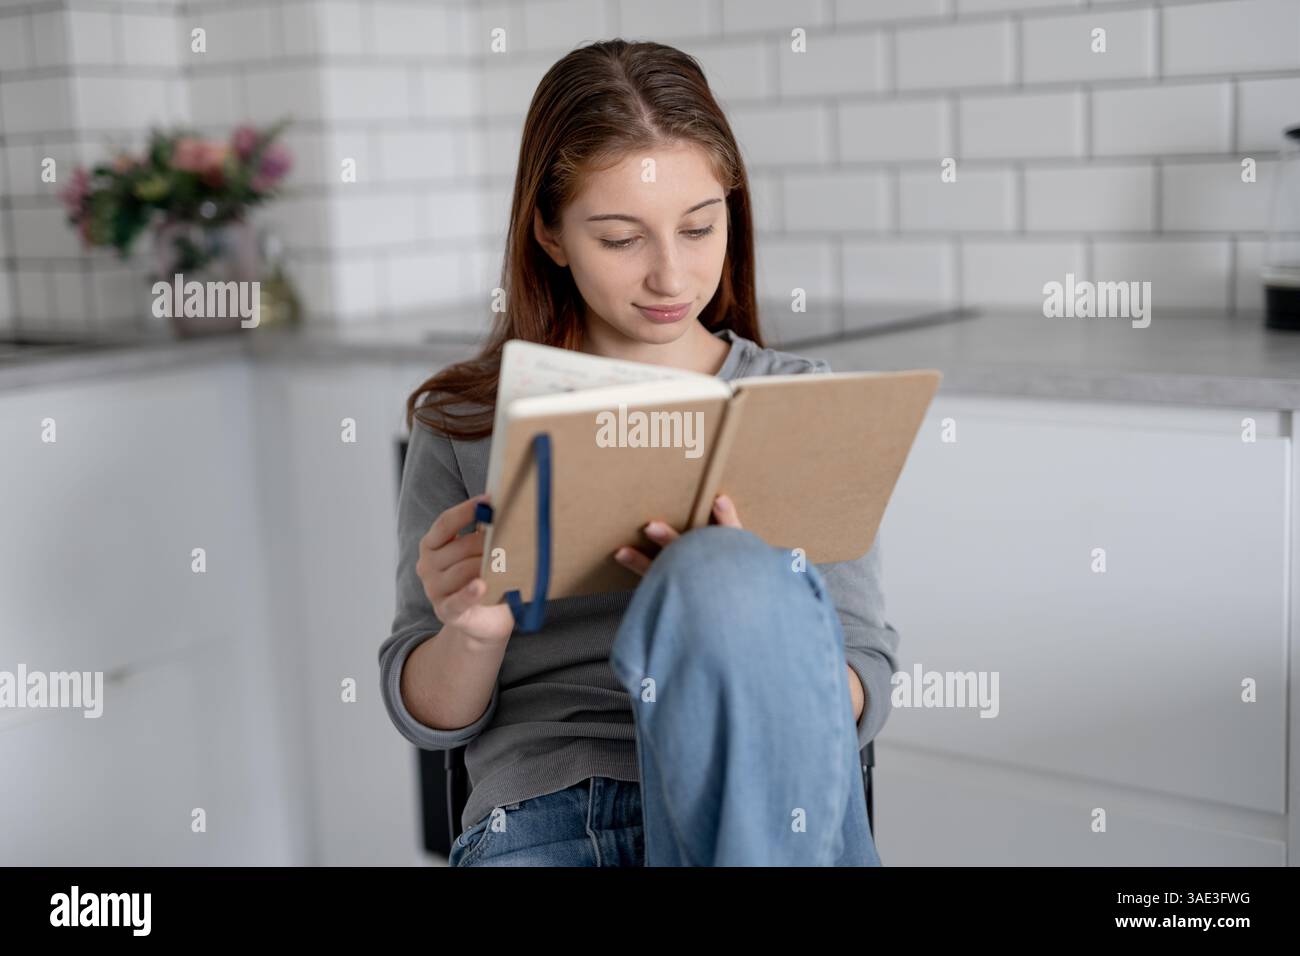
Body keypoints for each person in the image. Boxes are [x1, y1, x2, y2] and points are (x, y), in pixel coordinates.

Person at [378, 39, 900, 866]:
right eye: (621, 239)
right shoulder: (465, 420)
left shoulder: (797, 402)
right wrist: (472, 632)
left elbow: (863, 681)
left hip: (758, 803)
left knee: (722, 578)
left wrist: (734, 614)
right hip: (552, 814)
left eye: (699, 228)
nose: (670, 276)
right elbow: (427, 713)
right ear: (548, 232)